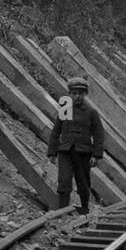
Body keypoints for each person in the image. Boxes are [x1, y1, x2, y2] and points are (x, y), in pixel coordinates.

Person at [47, 76, 105, 215]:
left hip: (83, 153)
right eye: (74, 93)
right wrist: (52, 152)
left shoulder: (91, 112)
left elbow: (99, 134)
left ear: (85, 94)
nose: (77, 96)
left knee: (83, 183)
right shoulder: (65, 110)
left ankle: (85, 210)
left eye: (80, 93)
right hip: (65, 152)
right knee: (64, 181)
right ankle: (62, 211)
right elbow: (56, 131)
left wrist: (96, 155)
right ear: (70, 94)